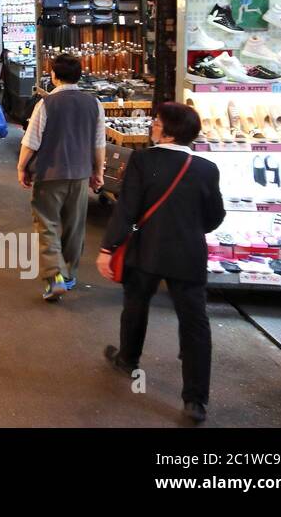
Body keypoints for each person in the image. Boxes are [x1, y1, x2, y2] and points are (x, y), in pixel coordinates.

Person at [97, 102, 225, 423]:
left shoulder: (142, 161)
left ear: (167, 131)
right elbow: (214, 217)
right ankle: (195, 400)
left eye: (156, 122)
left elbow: (127, 209)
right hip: (189, 255)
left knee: (136, 304)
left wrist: (108, 247)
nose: (152, 125)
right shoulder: (207, 169)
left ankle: (128, 359)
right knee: (195, 324)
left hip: (146, 250)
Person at [17, 54, 106, 301]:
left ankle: (54, 275)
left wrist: (21, 167)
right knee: (74, 226)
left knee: (46, 224)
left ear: (54, 76)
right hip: (80, 174)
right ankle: (69, 275)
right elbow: (99, 143)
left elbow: (31, 141)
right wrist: (98, 172)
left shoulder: (46, 104)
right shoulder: (94, 104)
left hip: (49, 174)